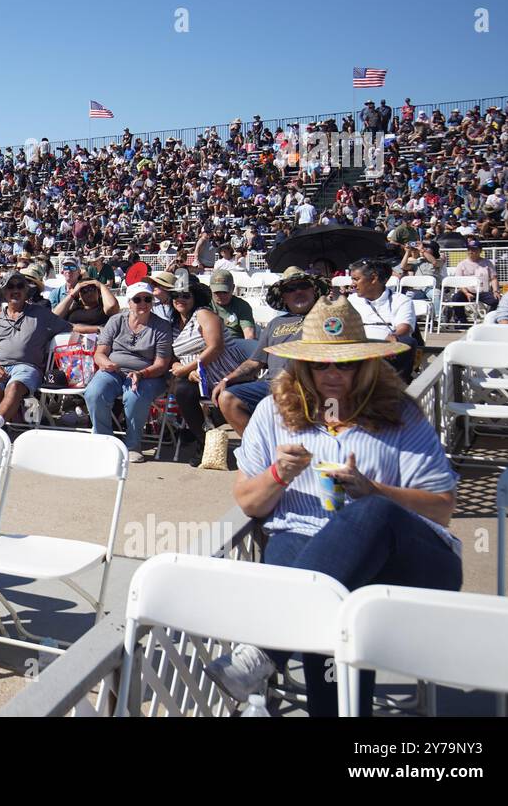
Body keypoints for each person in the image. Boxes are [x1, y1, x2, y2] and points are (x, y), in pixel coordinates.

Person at [208, 298, 460, 716]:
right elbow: (249, 503)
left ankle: (265, 649)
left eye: (344, 364)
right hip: (317, 560)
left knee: (366, 518)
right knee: (328, 596)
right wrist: (278, 475)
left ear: (366, 366)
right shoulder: (273, 411)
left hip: (407, 562)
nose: (332, 374)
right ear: (302, 366)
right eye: (320, 364)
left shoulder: (401, 415)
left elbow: (441, 509)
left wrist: (373, 490)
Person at [213, 268, 324, 436]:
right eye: (290, 289)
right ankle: (258, 450)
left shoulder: (325, 318)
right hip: (271, 386)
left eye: (303, 286)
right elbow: (254, 362)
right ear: (283, 296)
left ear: (313, 291)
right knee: (228, 398)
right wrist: (227, 379)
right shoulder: (275, 323)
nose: (298, 291)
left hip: (307, 386)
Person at [82, 282, 174, 462]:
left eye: (147, 299)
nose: (143, 303)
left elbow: (162, 364)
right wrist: (107, 363)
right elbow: (99, 353)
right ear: (129, 302)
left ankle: (133, 445)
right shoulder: (116, 320)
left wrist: (142, 374)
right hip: (114, 370)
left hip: (148, 374)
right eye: (137, 299)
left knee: (134, 395)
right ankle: (104, 440)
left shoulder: (161, 326)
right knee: (94, 392)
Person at [0, 268, 74, 428]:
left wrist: (99, 330)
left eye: (19, 286)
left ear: (26, 291)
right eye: (10, 287)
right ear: (4, 292)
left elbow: (71, 327)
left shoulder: (40, 314)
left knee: (14, 386)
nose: (15, 290)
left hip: (27, 367)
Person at [166, 277, 249, 461]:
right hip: (197, 377)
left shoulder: (203, 314)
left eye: (185, 295)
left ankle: (205, 429)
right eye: (175, 295)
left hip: (225, 373)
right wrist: (178, 366)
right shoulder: (175, 323)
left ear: (195, 297)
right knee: (182, 391)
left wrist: (188, 368)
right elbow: (173, 356)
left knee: (184, 389)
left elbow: (216, 347)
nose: (180, 299)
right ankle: (204, 442)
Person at [347, 257, 417, 381]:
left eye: (356, 279)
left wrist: (393, 337)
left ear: (374, 278)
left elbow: (404, 327)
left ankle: (393, 388)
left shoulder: (400, 300)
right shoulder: (351, 300)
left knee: (406, 342)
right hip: (356, 349)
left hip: (386, 350)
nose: (352, 284)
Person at [451, 237, 499, 315]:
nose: (471, 251)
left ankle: (489, 318)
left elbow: (494, 278)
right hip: (467, 291)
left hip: (483, 291)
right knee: (456, 298)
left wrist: (495, 291)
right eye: (469, 249)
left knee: (497, 299)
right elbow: (459, 282)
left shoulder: (487, 263)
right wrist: (466, 293)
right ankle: (461, 320)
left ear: (480, 251)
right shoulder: (462, 264)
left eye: (473, 249)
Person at [52, 277, 118, 333]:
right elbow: (54, 318)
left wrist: (100, 285)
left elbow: (112, 307)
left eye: (92, 288)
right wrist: (73, 293)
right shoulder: (73, 307)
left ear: (98, 291)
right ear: (79, 294)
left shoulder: (104, 306)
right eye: (84, 290)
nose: (89, 292)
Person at [208, 270, 256, 341]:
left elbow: (249, 334)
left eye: (225, 292)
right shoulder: (205, 304)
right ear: (210, 289)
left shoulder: (242, 306)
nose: (221, 295)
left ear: (233, 288)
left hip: (235, 344)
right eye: (217, 292)